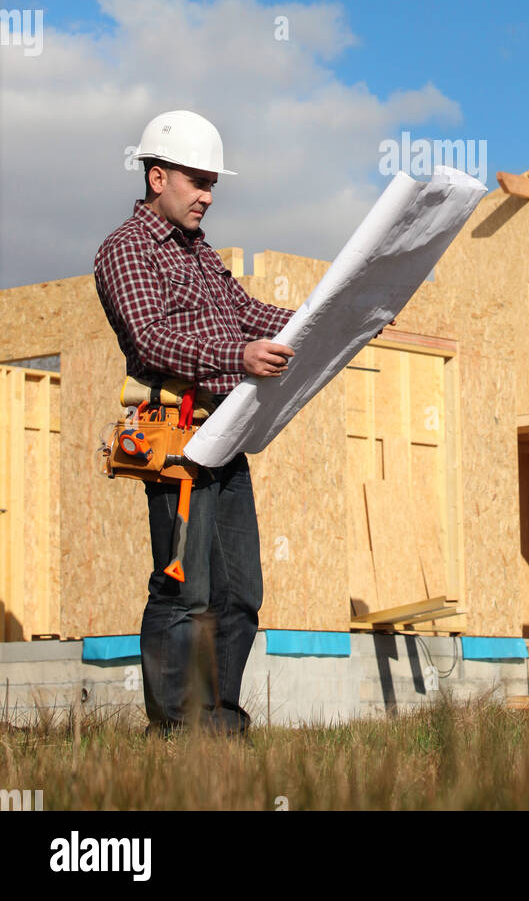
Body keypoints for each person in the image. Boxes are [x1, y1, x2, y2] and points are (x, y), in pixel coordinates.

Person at [94, 110, 301, 735]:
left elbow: (248, 311)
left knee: (240, 595)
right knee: (185, 591)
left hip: (226, 437)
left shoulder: (200, 253)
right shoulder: (124, 250)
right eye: (197, 181)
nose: (208, 195)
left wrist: (336, 317)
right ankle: (175, 731)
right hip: (177, 445)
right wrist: (236, 356)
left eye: (213, 183)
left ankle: (219, 725)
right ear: (158, 177)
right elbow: (151, 339)